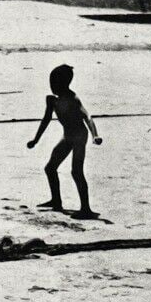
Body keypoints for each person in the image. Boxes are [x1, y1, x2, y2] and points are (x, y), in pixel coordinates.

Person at [26, 64, 103, 220]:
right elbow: (46, 120)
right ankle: (56, 201)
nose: (52, 86)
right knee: (50, 168)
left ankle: (86, 209)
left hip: (79, 136)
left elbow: (87, 117)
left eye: (55, 83)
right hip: (67, 136)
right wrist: (35, 140)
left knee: (76, 172)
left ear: (64, 83)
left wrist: (95, 135)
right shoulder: (52, 100)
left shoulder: (73, 99)